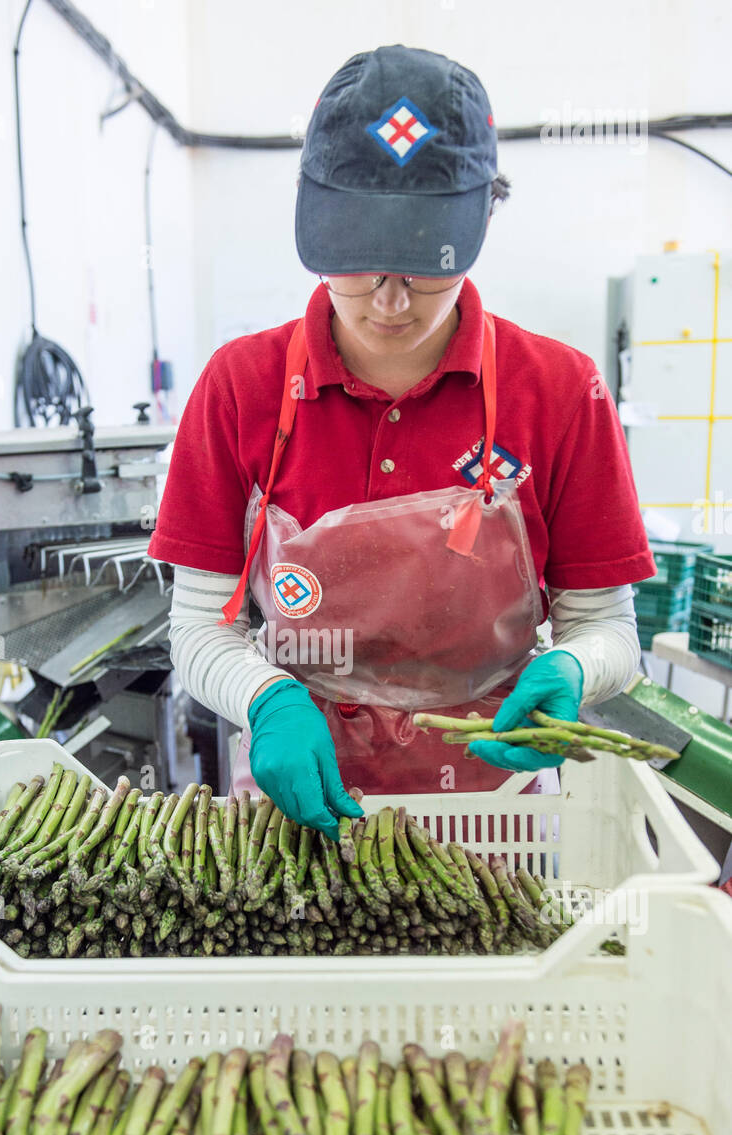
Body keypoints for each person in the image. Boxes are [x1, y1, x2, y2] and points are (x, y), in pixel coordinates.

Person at [149, 44, 654, 840]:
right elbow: (198, 627)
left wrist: (571, 667)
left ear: (484, 215)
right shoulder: (239, 387)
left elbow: (609, 630)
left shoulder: (559, 391)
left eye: (424, 265)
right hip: (296, 813)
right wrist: (267, 699)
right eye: (357, 261)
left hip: (495, 820)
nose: (388, 299)